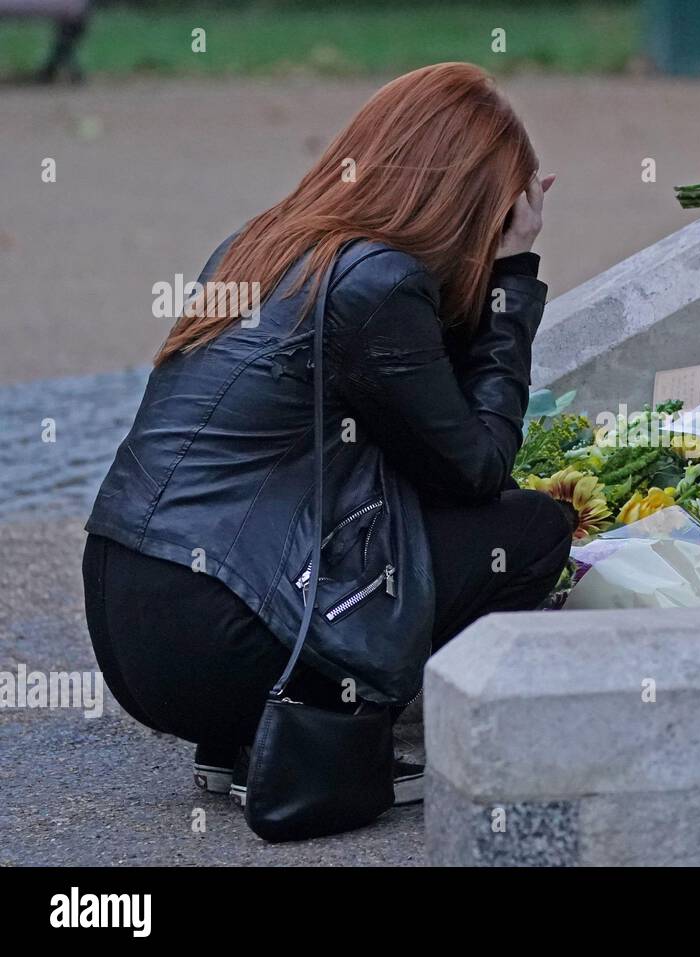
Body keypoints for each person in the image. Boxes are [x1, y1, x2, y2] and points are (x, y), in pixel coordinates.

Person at [81, 63, 574, 813]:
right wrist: (512, 277)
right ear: (468, 204)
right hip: (214, 636)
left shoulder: (261, 247)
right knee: (532, 530)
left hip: (125, 610)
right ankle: (313, 725)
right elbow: (476, 469)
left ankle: (240, 737)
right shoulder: (376, 285)